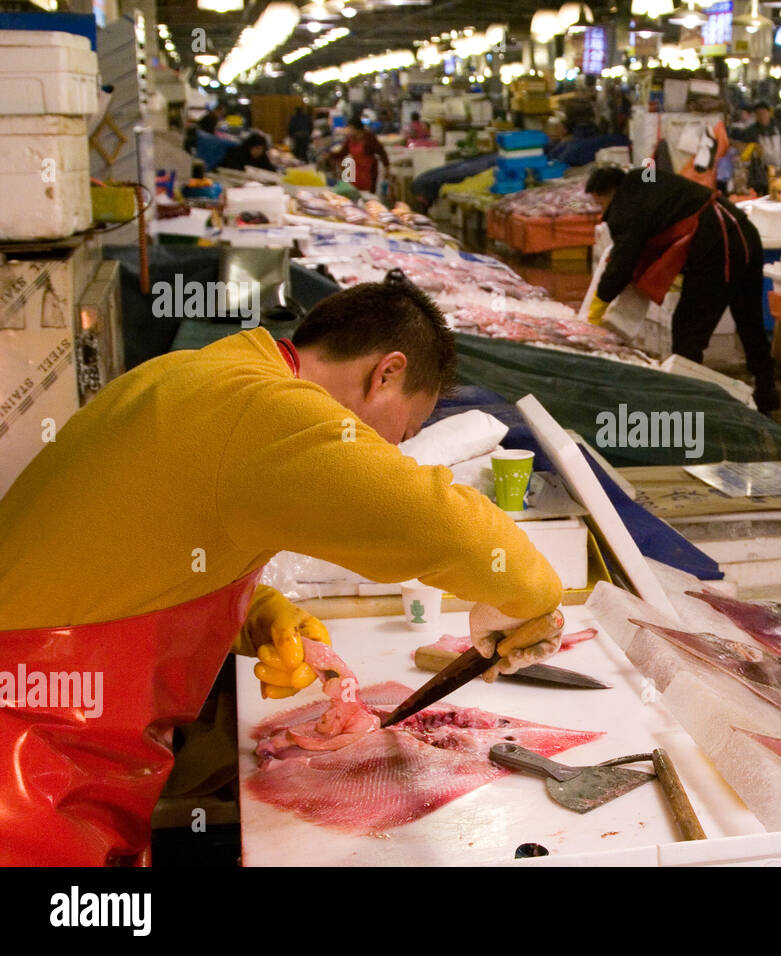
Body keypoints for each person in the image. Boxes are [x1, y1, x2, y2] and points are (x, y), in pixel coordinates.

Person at [0, 276, 566, 865]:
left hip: (59, 721)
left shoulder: (197, 374)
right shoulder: (262, 408)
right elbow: (432, 520)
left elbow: (138, 549)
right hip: (27, 765)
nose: (393, 449)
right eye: (405, 430)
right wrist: (532, 594)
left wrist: (259, 613)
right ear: (386, 373)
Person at [584, 165, 779, 414]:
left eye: (600, 202)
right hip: (743, 231)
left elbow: (624, 259)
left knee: (688, 329)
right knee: (749, 320)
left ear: (608, 192)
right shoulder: (643, 185)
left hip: (718, 241)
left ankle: (687, 403)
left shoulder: (627, 203)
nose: (602, 210)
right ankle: (767, 394)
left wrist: (597, 308)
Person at [737, 101, 781, 193]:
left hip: (780, 170)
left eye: (763, 113)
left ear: (769, 113)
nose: (761, 116)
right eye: (758, 114)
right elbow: (745, 150)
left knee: (779, 194)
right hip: (760, 174)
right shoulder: (751, 131)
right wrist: (749, 152)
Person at [330, 117, 389, 193]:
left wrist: (387, 166)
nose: (349, 131)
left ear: (357, 129)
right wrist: (330, 155)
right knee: (354, 192)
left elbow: (381, 151)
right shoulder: (350, 139)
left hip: (368, 171)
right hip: (355, 170)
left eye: (350, 128)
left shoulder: (369, 138)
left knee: (367, 193)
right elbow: (342, 153)